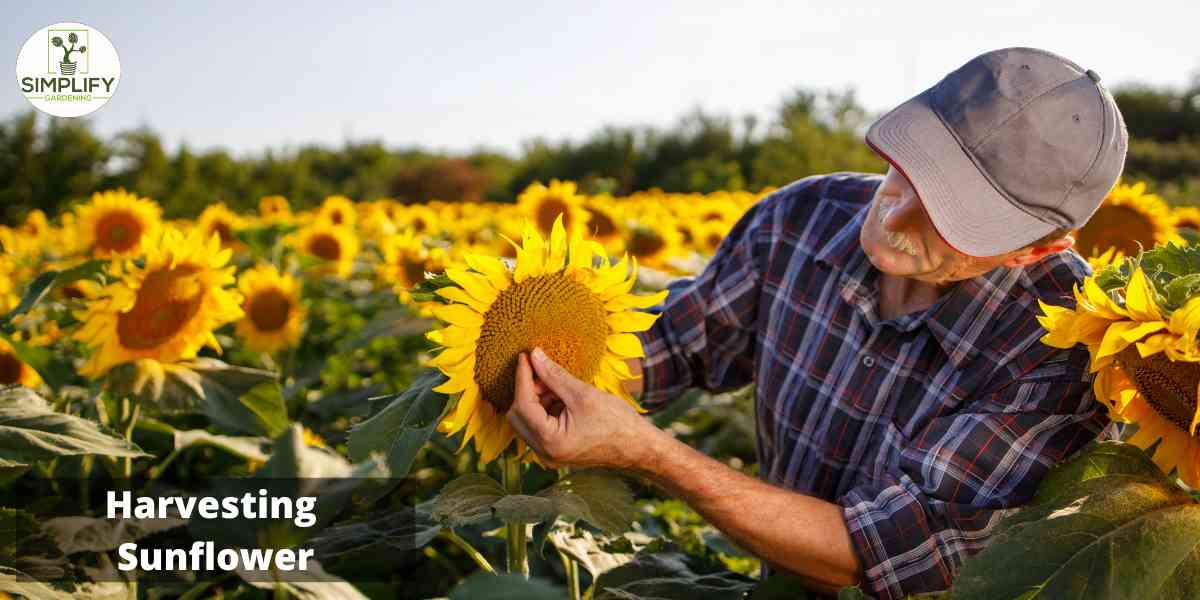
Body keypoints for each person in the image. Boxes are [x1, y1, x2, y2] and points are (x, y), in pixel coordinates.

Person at [505, 47, 1127, 599]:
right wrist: (531, 349)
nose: (898, 213)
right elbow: (672, 345)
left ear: (1033, 250)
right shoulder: (802, 217)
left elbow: (882, 553)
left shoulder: (1065, 351)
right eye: (914, 169)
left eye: (953, 217)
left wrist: (650, 455)